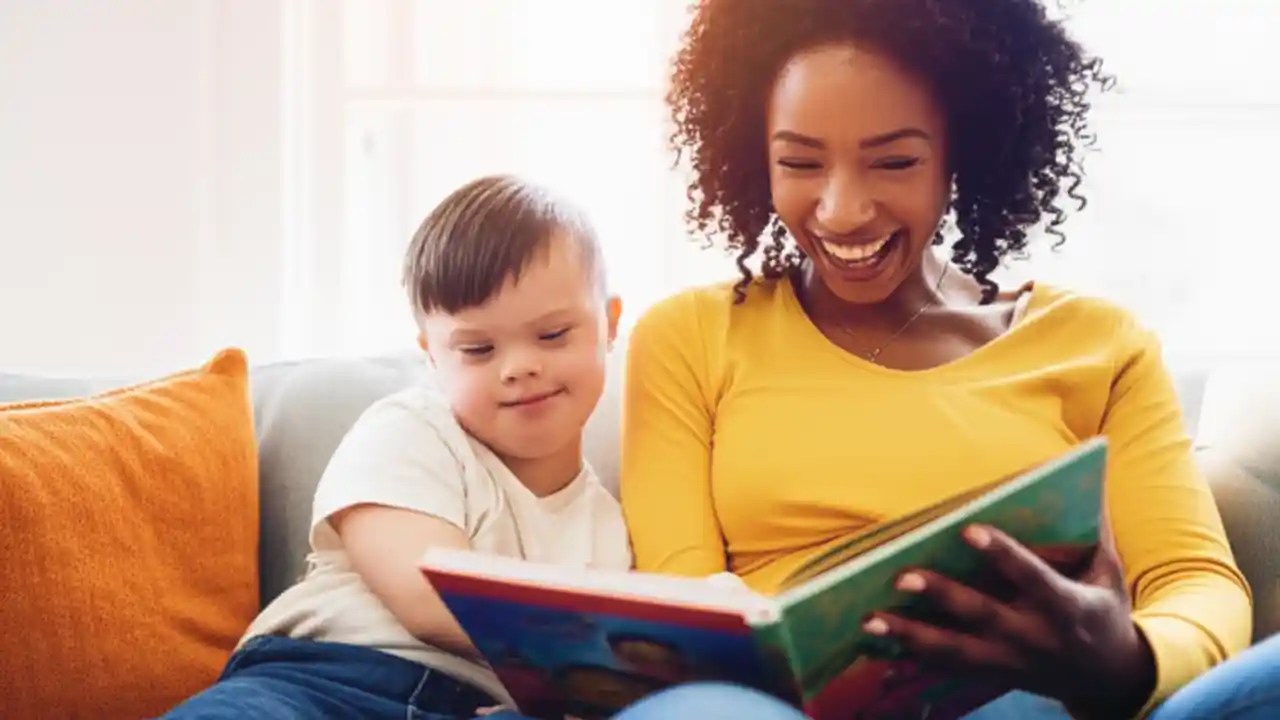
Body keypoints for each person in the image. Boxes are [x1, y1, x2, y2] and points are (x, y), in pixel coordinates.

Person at [619, 0, 1278, 718]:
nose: (841, 209)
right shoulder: (690, 337)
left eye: (895, 161)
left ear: (963, 150)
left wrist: (1125, 659)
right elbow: (681, 603)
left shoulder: (1098, 344)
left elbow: (1193, 578)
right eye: (799, 162)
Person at [162, 174, 631, 719]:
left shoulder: (608, 528)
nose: (519, 366)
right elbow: (433, 594)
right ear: (431, 354)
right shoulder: (410, 430)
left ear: (609, 324)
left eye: (552, 336)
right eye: (478, 349)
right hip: (323, 682)